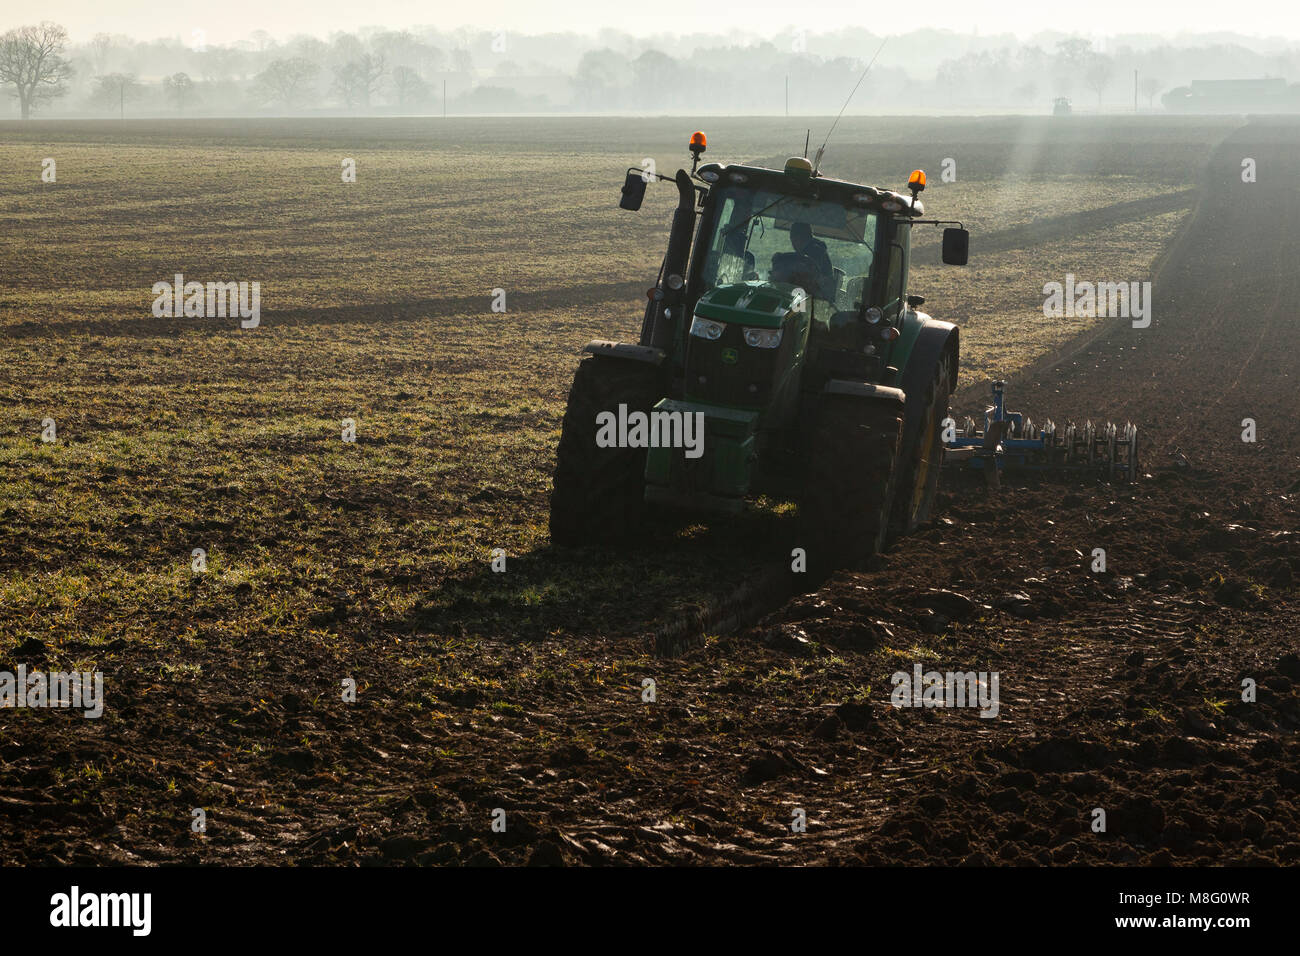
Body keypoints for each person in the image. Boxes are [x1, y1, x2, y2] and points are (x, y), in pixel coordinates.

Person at [789, 222, 835, 299]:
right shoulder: (813, 250)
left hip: (818, 297)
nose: (792, 243)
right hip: (811, 293)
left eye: (793, 238)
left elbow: (807, 276)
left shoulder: (815, 252)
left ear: (801, 238)